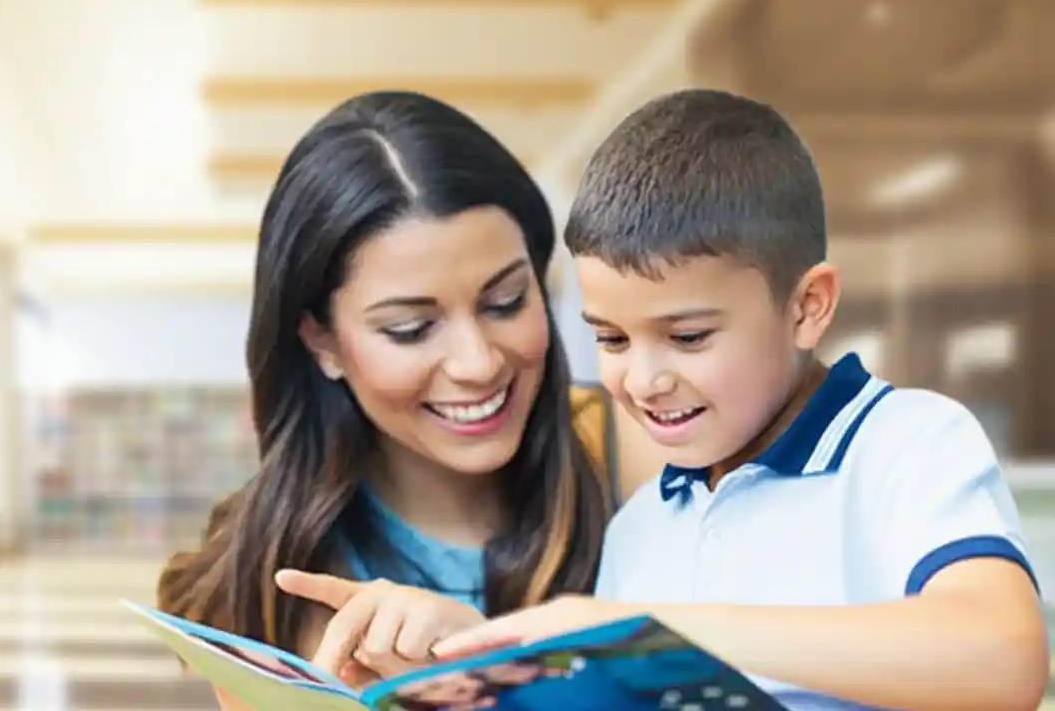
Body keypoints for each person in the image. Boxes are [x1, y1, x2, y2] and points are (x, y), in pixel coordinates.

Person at [433, 89, 1049, 710]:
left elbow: (1004, 662)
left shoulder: (907, 444)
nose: (645, 379)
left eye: (688, 337)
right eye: (611, 338)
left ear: (808, 307)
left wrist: (659, 628)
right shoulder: (640, 527)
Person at [156, 90, 611, 710]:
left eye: (506, 301)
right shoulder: (279, 589)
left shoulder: (630, 448)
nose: (478, 363)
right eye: (410, 329)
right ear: (322, 340)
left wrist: (492, 665)